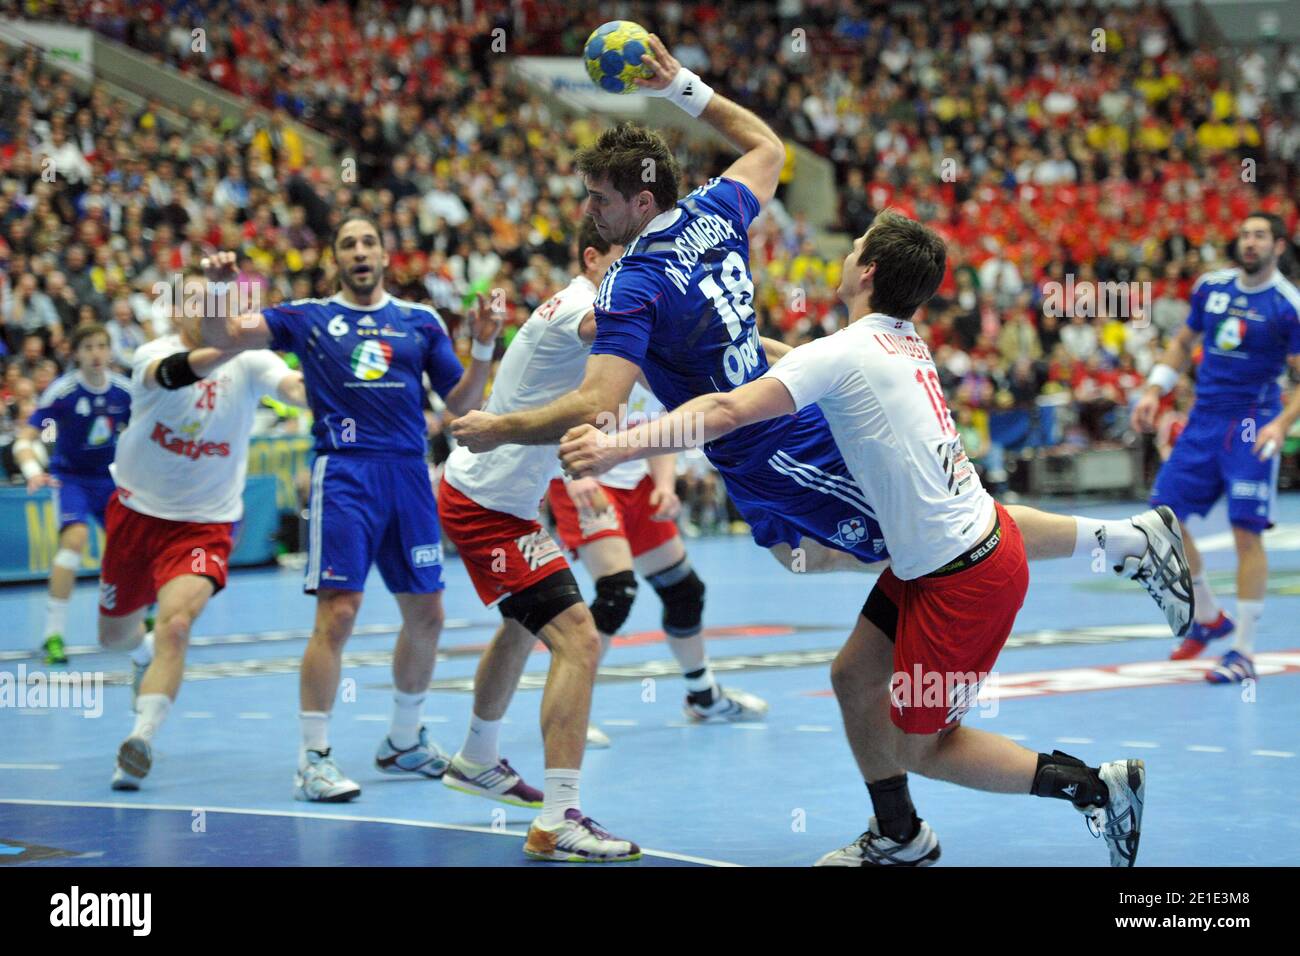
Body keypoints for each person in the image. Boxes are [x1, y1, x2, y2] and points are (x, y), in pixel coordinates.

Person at [449, 35, 1193, 639]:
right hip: (760, 426)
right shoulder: (713, 211)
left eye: (600, 197)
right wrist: (682, 83)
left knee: (945, 530)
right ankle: (924, 595)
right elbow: (770, 147)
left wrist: (500, 428)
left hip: (767, 440)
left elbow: (596, 398)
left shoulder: (630, 282)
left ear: (641, 200)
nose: (589, 208)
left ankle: (1124, 541)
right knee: (790, 552)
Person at [561, 212, 1148, 867]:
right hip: (953, 556)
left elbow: (725, 411)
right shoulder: (892, 340)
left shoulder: (846, 351)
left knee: (919, 746)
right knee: (851, 677)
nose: (845, 255)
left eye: (857, 247)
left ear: (865, 271)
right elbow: (783, 371)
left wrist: (617, 445)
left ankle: (1095, 787)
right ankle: (899, 834)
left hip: (964, 579)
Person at [197, 216, 500, 803]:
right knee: (338, 613)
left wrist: (484, 345)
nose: (359, 252)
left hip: (408, 474)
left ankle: (404, 740)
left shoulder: (420, 321)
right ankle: (313, 758)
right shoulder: (307, 317)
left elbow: (462, 407)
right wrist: (219, 288)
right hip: (345, 474)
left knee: (429, 615)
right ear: (336, 258)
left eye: (369, 242)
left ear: (385, 256)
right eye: (348, 244)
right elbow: (225, 336)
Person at [435, 219, 641, 860]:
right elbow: (606, 365)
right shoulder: (584, 310)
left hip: (496, 499)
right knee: (578, 637)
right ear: (591, 257)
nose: (641, 269)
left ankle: (476, 756)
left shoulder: (589, 305)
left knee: (525, 624)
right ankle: (559, 819)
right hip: (486, 505)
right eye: (627, 257)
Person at [98, 273, 307, 791]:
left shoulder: (252, 359)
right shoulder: (152, 354)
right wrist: (230, 342)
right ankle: (140, 653)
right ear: (176, 312)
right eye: (195, 300)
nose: (206, 310)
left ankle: (140, 740)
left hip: (205, 523)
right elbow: (176, 373)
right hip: (136, 515)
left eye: (216, 300)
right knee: (114, 638)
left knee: (176, 625)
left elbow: (296, 391)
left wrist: (340, 377)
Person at [548, 379, 767, 749]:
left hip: (636, 481)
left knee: (684, 590)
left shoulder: (651, 356)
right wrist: (575, 474)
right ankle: (570, 710)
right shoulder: (589, 349)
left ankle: (704, 696)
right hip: (584, 479)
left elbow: (661, 427)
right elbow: (548, 409)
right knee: (617, 591)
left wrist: (665, 485)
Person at [1133, 212, 1300, 681]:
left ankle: (1243, 652)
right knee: (1163, 519)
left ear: (1278, 246)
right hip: (1204, 418)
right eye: (1244, 234)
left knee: (1247, 532)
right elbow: (1184, 342)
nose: (1249, 242)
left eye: (1260, 236)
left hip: (1253, 422)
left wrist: (1282, 424)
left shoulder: (1287, 306)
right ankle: (1209, 617)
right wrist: (1153, 389)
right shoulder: (1211, 288)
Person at [14, 323, 131, 664]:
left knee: (132, 548)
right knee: (74, 541)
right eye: (88, 347)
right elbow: (26, 440)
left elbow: (146, 434)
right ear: (76, 355)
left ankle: (146, 611)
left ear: (110, 351)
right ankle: (53, 635)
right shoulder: (62, 393)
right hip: (72, 480)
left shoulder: (125, 392)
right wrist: (35, 471)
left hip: (112, 480)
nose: (96, 353)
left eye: (101, 346)